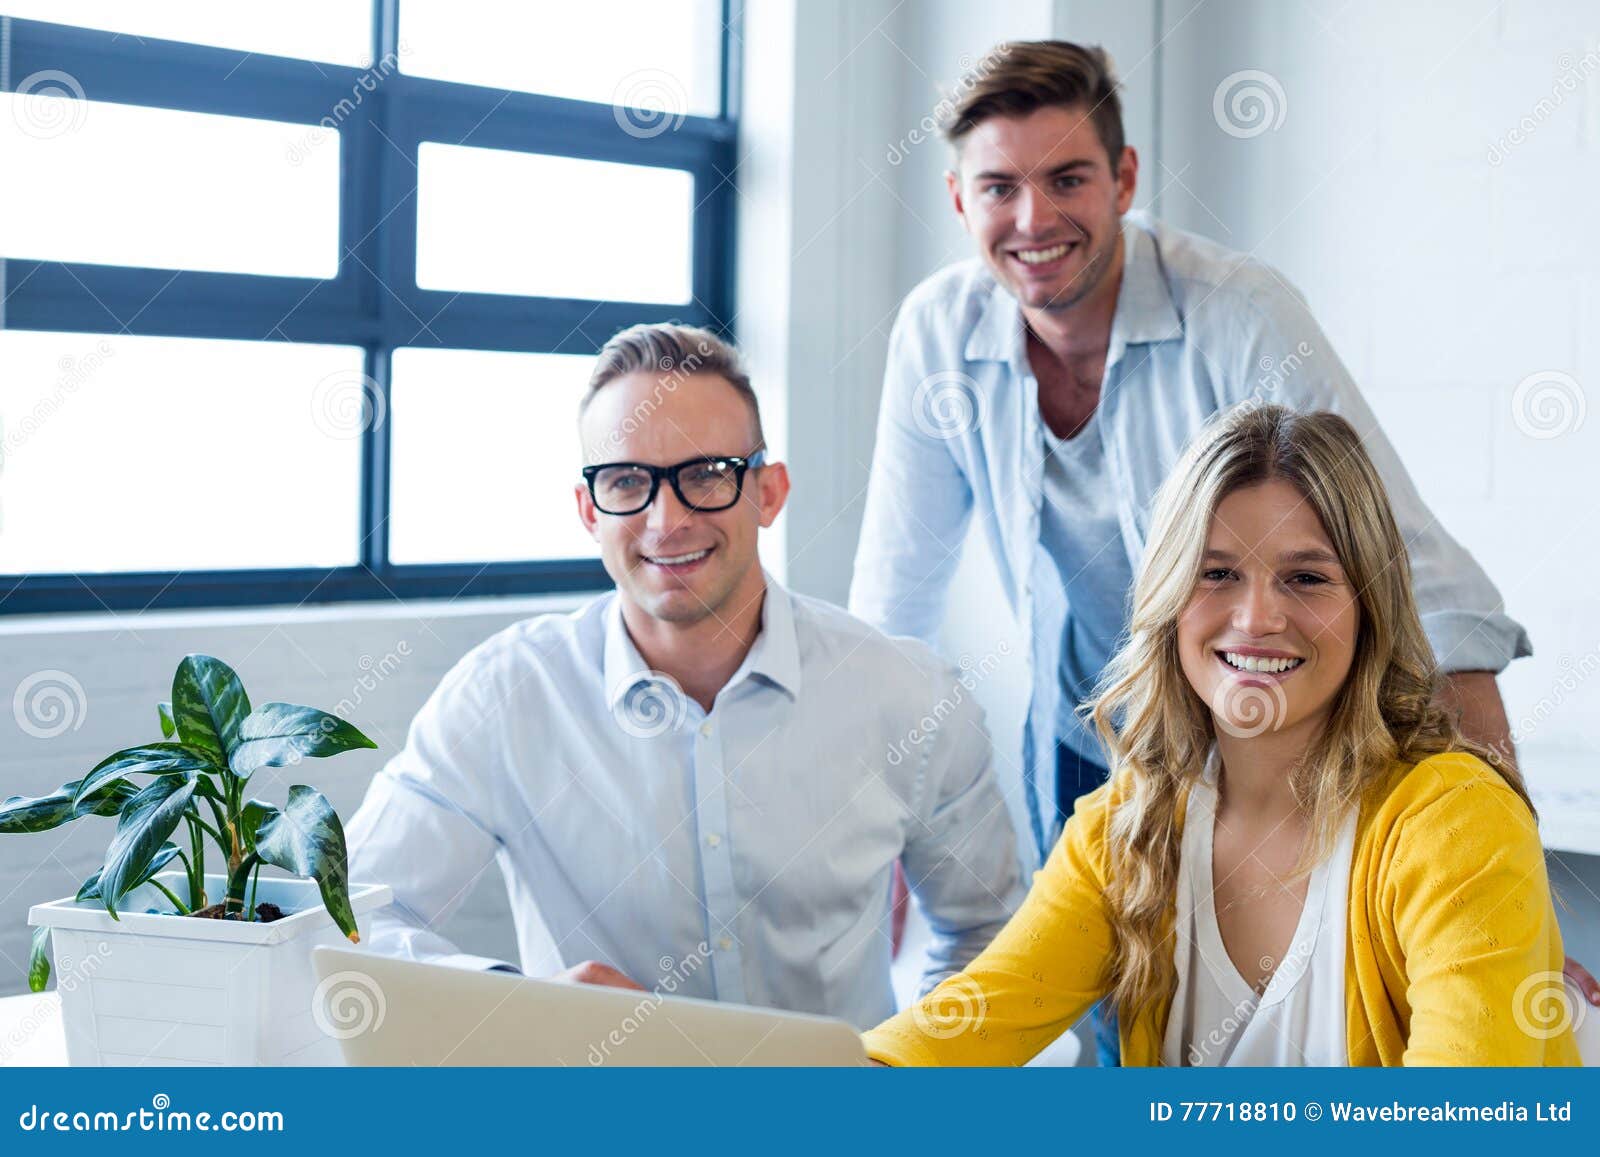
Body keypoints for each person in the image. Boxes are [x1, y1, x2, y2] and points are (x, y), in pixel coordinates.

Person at [846, 38, 1598, 1052]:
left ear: (1123, 177)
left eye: (1067, 177)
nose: (1034, 219)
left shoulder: (1235, 314)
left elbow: (1422, 577)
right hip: (1122, 740)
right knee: (1126, 1031)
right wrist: (872, 833)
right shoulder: (936, 335)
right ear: (956, 198)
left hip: (1319, 742)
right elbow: (891, 610)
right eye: (999, 188)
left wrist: (1508, 889)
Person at [345, 323, 1024, 1029]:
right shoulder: (503, 696)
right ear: (588, 511)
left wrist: (915, 1083)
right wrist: (525, 1006)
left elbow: (990, 934)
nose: (665, 520)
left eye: (706, 474)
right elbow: (352, 916)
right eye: (627, 481)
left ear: (768, 491)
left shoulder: (908, 693)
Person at [863, 404, 1581, 1066]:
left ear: (1369, 607)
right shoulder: (1127, 829)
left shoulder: (1456, 822)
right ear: (1168, 600)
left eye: (1305, 577)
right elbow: (959, 1030)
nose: (1257, 617)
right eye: (1218, 573)